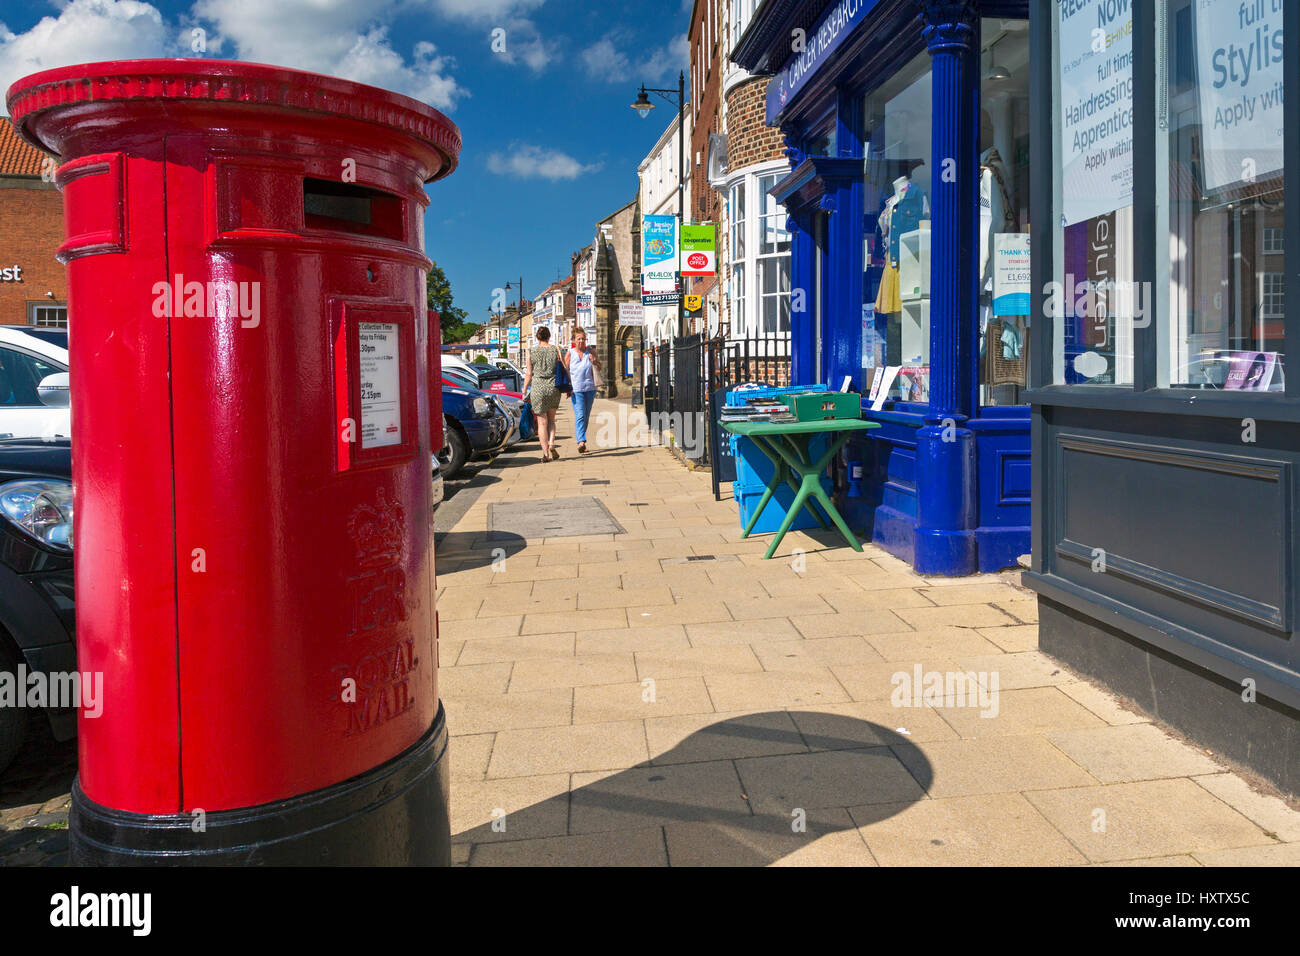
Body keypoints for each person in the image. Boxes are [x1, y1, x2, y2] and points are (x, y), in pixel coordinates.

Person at [523, 327, 562, 462]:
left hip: (538, 387)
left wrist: (524, 390)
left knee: (542, 423)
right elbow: (563, 368)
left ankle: (545, 453)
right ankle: (551, 443)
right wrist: (569, 387)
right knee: (551, 420)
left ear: (537, 337)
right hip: (553, 387)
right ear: (549, 336)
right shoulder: (555, 349)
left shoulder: (531, 351)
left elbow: (529, 373)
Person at [566, 329, 600, 453]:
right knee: (580, 415)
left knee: (585, 416)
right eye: (578, 338)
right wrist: (567, 388)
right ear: (574, 340)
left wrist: (594, 361)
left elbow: (599, 367)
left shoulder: (590, 351)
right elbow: (565, 371)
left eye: (583, 339)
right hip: (576, 389)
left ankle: (581, 440)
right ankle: (581, 441)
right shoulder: (570, 353)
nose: (581, 341)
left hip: (590, 388)